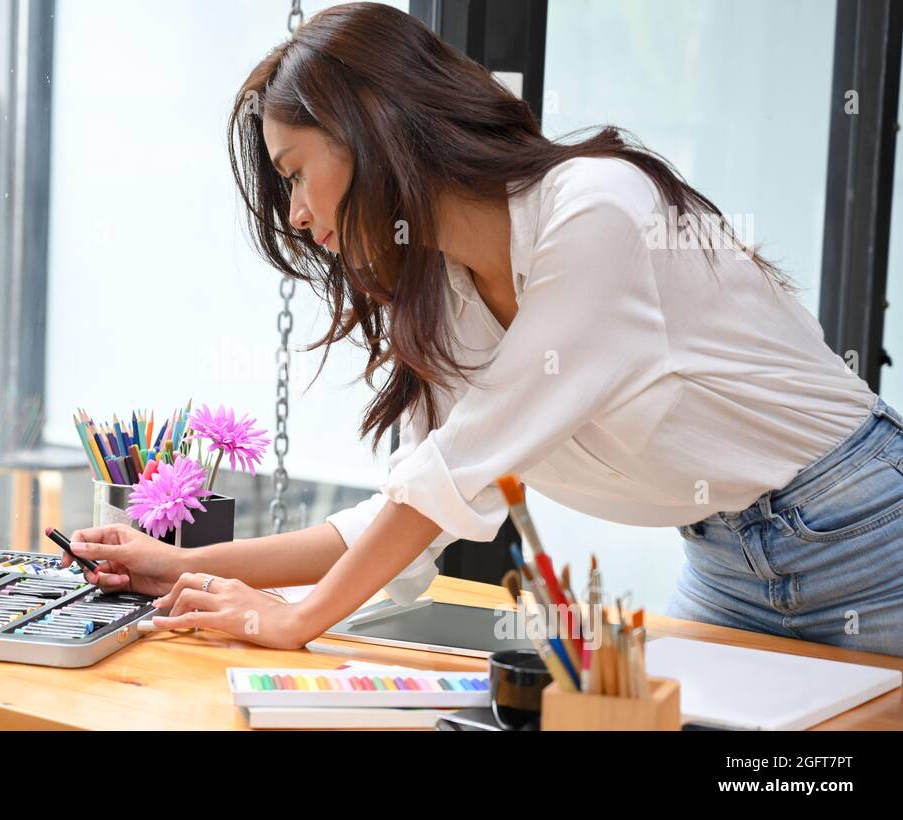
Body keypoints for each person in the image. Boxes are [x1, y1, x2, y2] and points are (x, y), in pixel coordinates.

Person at [62, 3, 903, 657]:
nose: (297, 213)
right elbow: (409, 510)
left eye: (294, 175)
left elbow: (448, 479)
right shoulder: (445, 295)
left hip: (867, 532)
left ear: (370, 131)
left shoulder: (597, 210)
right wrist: (179, 566)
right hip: (726, 564)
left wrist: (295, 620)